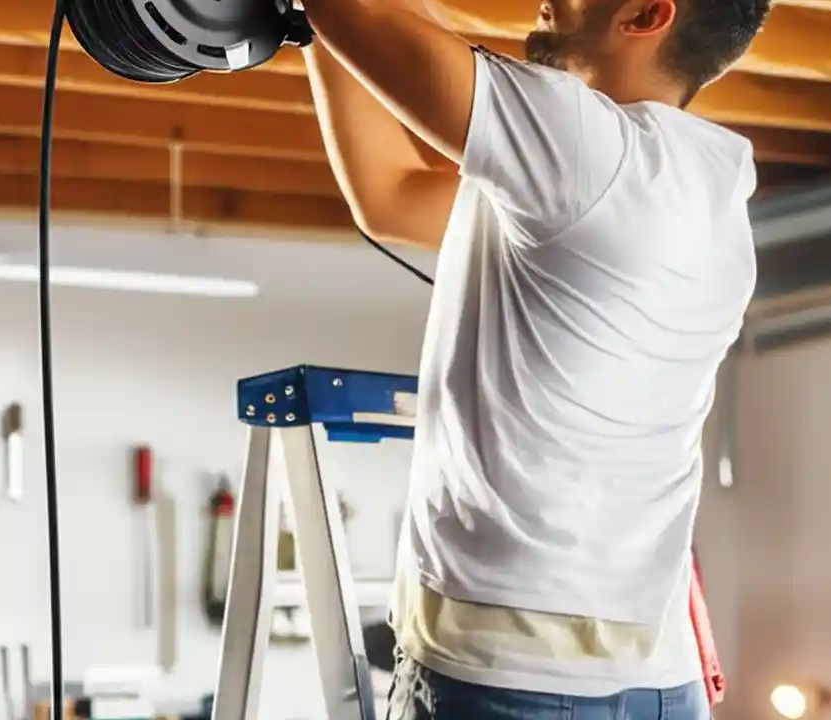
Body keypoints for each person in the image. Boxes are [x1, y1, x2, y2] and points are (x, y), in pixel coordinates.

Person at [297, 0, 769, 717]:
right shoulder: (704, 188)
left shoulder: (581, 145)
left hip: (508, 671)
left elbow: (347, 9)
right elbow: (391, 195)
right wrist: (311, 29)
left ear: (646, 14)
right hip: (655, 676)